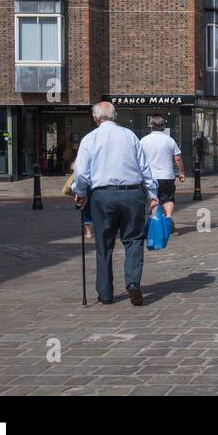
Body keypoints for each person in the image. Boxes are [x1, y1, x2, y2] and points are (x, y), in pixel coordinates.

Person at [70, 101, 159, 306]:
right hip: (132, 193)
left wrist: (80, 192)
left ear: (95, 118)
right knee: (134, 239)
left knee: (103, 243)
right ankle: (133, 283)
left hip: (103, 196)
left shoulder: (90, 139)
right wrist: (152, 195)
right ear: (115, 115)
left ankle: (105, 292)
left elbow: (82, 173)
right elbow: (144, 168)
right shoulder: (130, 136)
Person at [140, 117, 185, 222]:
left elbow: (138, 159)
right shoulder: (169, 140)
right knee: (168, 199)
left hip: (149, 177)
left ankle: (156, 221)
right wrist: (181, 172)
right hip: (167, 176)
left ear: (151, 126)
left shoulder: (143, 140)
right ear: (163, 127)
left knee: (152, 199)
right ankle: (168, 217)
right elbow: (177, 158)